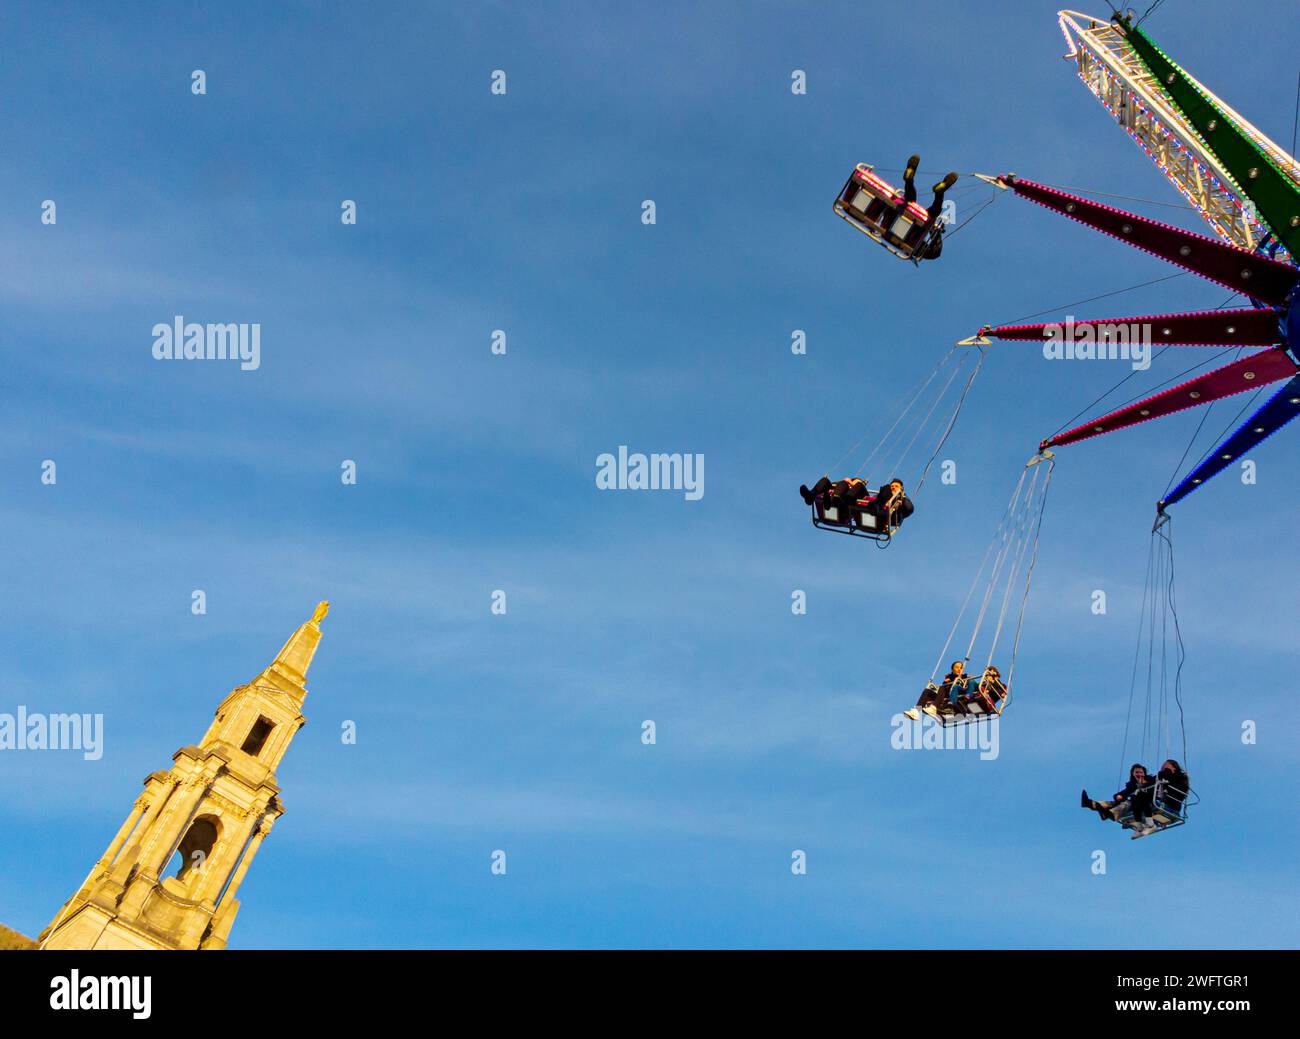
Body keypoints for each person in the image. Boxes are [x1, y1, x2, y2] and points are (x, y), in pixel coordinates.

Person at [902, 154, 958, 259]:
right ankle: (910, 180)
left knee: (931, 212)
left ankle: (939, 191)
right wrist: (934, 231)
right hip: (909, 221)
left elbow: (935, 252)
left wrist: (935, 232)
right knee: (911, 203)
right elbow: (934, 252)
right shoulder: (914, 247)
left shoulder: (915, 247)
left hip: (909, 223)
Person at [1081, 764, 1151, 826]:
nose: (1139, 774)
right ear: (1133, 774)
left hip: (1142, 803)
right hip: (1131, 803)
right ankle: (1089, 803)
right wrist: (1118, 796)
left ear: (1144, 774)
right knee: (1113, 803)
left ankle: (1111, 814)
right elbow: (1123, 793)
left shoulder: (1150, 782)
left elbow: (1160, 776)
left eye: (1141, 772)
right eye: (1136, 772)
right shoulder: (1132, 786)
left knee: (1127, 803)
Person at [1130, 759, 1190, 823]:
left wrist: (1167, 774)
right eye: (1162, 768)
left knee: (1148, 802)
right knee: (1136, 799)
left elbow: (1178, 791)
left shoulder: (1179, 779)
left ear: (1174, 769)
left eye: (1166, 768)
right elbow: (1150, 782)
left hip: (1171, 805)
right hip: (1159, 801)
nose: (1163, 770)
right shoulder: (1159, 779)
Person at [800, 475, 870, 510]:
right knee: (825, 480)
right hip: (834, 496)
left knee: (846, 484)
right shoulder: (841, 484)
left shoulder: (859, 487)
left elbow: (859, 487)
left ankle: (832, 500)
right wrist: (831, 491)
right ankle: (811, 495)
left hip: (847, 502)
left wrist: (850, 483)